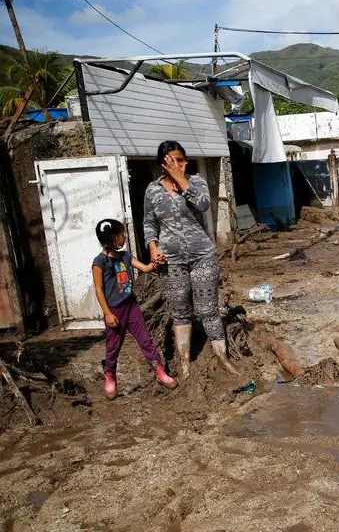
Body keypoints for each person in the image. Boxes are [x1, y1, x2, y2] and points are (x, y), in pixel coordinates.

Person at [144, 140, 240, 379]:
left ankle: (223, 358)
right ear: (162, 164)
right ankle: (185, 364)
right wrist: (152, 247)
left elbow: (204, 204)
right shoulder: (152, 190)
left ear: (185, 161)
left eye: (180, 160)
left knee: (209, 310)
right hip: (171, 261)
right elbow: (148, 223)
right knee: (181, 312)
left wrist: (181, 179)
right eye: (171, 161)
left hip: (202, 256)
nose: (177, 164)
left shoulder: (196, 182)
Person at [92, 219, 178, 400]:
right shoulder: (99, 263)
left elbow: (145, 268)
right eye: (122, 234)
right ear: (113, 237)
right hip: (114, 311)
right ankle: (110, 377)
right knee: (113, 347)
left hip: (131, 307)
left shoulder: (125, 256)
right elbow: (99, 289)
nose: (125, 237)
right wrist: (107, 313)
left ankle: (160, 372)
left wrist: (155, 263)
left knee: (145, 340)